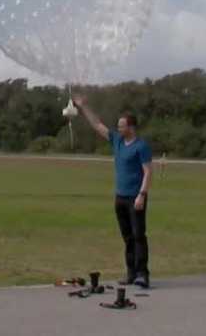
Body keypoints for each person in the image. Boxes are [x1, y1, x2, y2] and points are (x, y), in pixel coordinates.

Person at [72, 92, 152, 288]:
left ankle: (143, 274)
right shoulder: (116, 140)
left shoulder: (141, 146)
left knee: (138, 236)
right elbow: (97, 125)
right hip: (120, 197)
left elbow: (148, 172)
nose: (118, 128)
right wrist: (83, 106)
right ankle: (131, 273)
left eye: (122, 125)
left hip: (136, 197)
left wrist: (141, 195)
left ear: (131, 127)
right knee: (127, 237)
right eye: (118, 125)